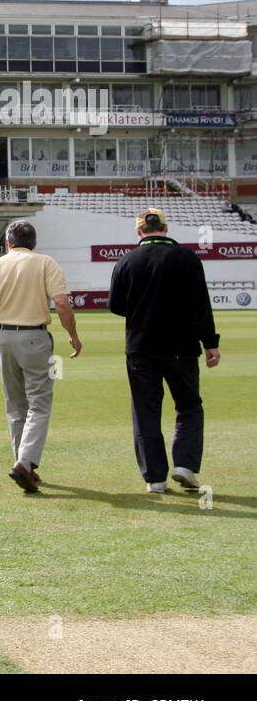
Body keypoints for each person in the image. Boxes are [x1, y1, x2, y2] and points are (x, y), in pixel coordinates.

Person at [109, 207, 220, 494]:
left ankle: (154, 478)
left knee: (146, 411)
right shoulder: (187, 258)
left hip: (141, 348)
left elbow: (115, 305)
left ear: (139, 231)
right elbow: (201, 306)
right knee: (189, 405)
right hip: (181, 348)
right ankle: (184, 464)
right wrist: (210, 343)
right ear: (166, 228)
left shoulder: (126, 261)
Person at [0, 220, 81, 493]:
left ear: (8, 242)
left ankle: (25, 463)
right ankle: (25, 462)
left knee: (15, 404)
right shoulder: (45, 263)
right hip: (34, 335)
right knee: (40, 404)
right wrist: (73, 335)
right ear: (33, 243)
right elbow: (62, 304)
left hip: (3, 337)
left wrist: (2, 324)